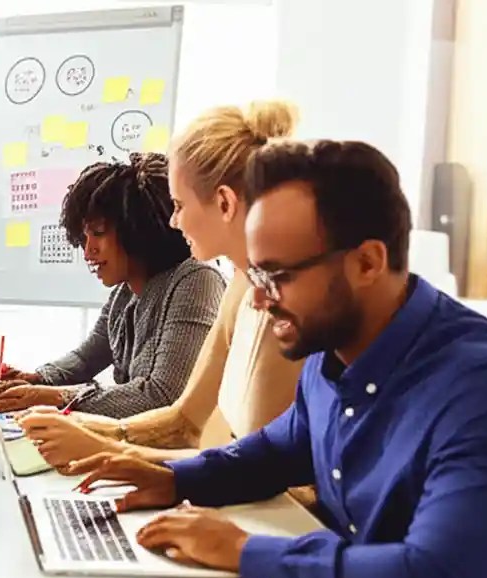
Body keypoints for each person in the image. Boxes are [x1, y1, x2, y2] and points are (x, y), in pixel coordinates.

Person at [70, 139, 487, 578]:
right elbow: (278, 449)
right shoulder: (333, 353)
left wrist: (244, 552)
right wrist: (171, 477)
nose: (261, 301)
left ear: (367, 262)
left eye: (277, 276)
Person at [18, 102, 304, 468]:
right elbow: (183, 421)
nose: (172, 221)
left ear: (223, 203)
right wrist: (87, 432)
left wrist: (100, 438)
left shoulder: (276, 301)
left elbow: (264, 471)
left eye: (179, 205)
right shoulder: (238, 285)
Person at [0, 153, 225, 417]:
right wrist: (35, 379)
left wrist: (53, 397)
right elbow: (85, 359)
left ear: (136, 229)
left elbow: (161, 396)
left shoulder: (198, 280)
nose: (88, 251)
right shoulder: (124, 294)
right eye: (84, 236)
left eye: (98, 233)